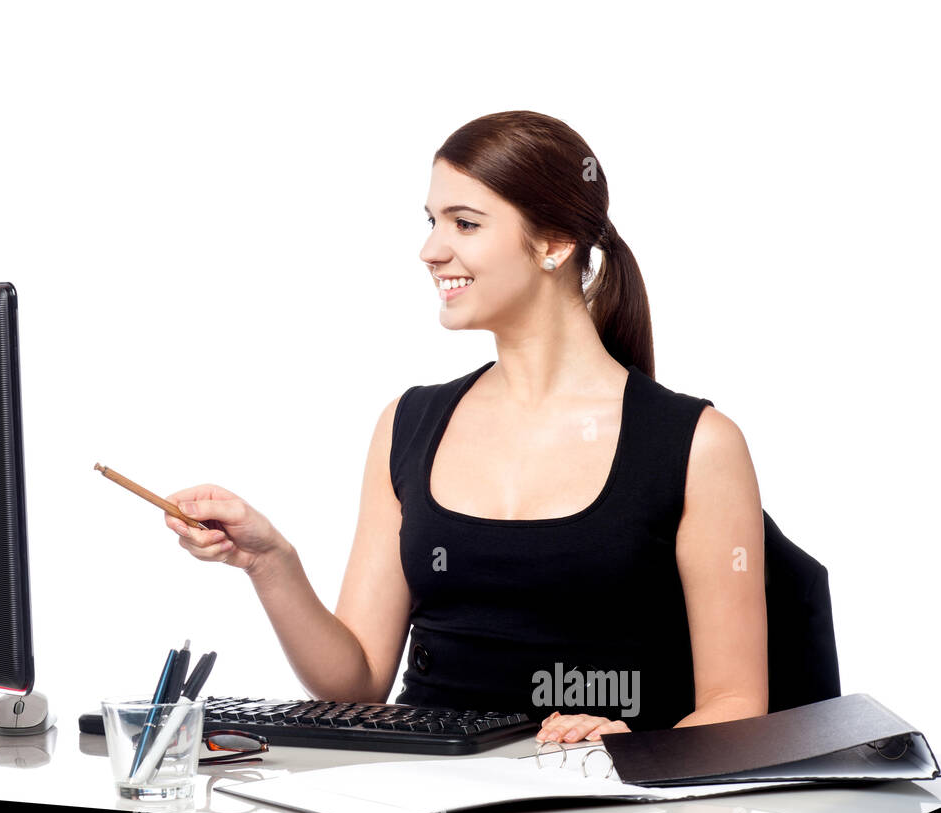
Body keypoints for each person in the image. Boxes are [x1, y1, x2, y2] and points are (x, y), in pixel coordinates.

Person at [163, 110, 767, 743]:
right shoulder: (410, 422)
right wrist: (270, 562)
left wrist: (632, 746)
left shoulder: (697, 443)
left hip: (601, 808)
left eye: (465, 223)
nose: (431, 250)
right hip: (421, 791)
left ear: (554, 243)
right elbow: (357, 684)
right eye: (432, 221)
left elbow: (737, 705)